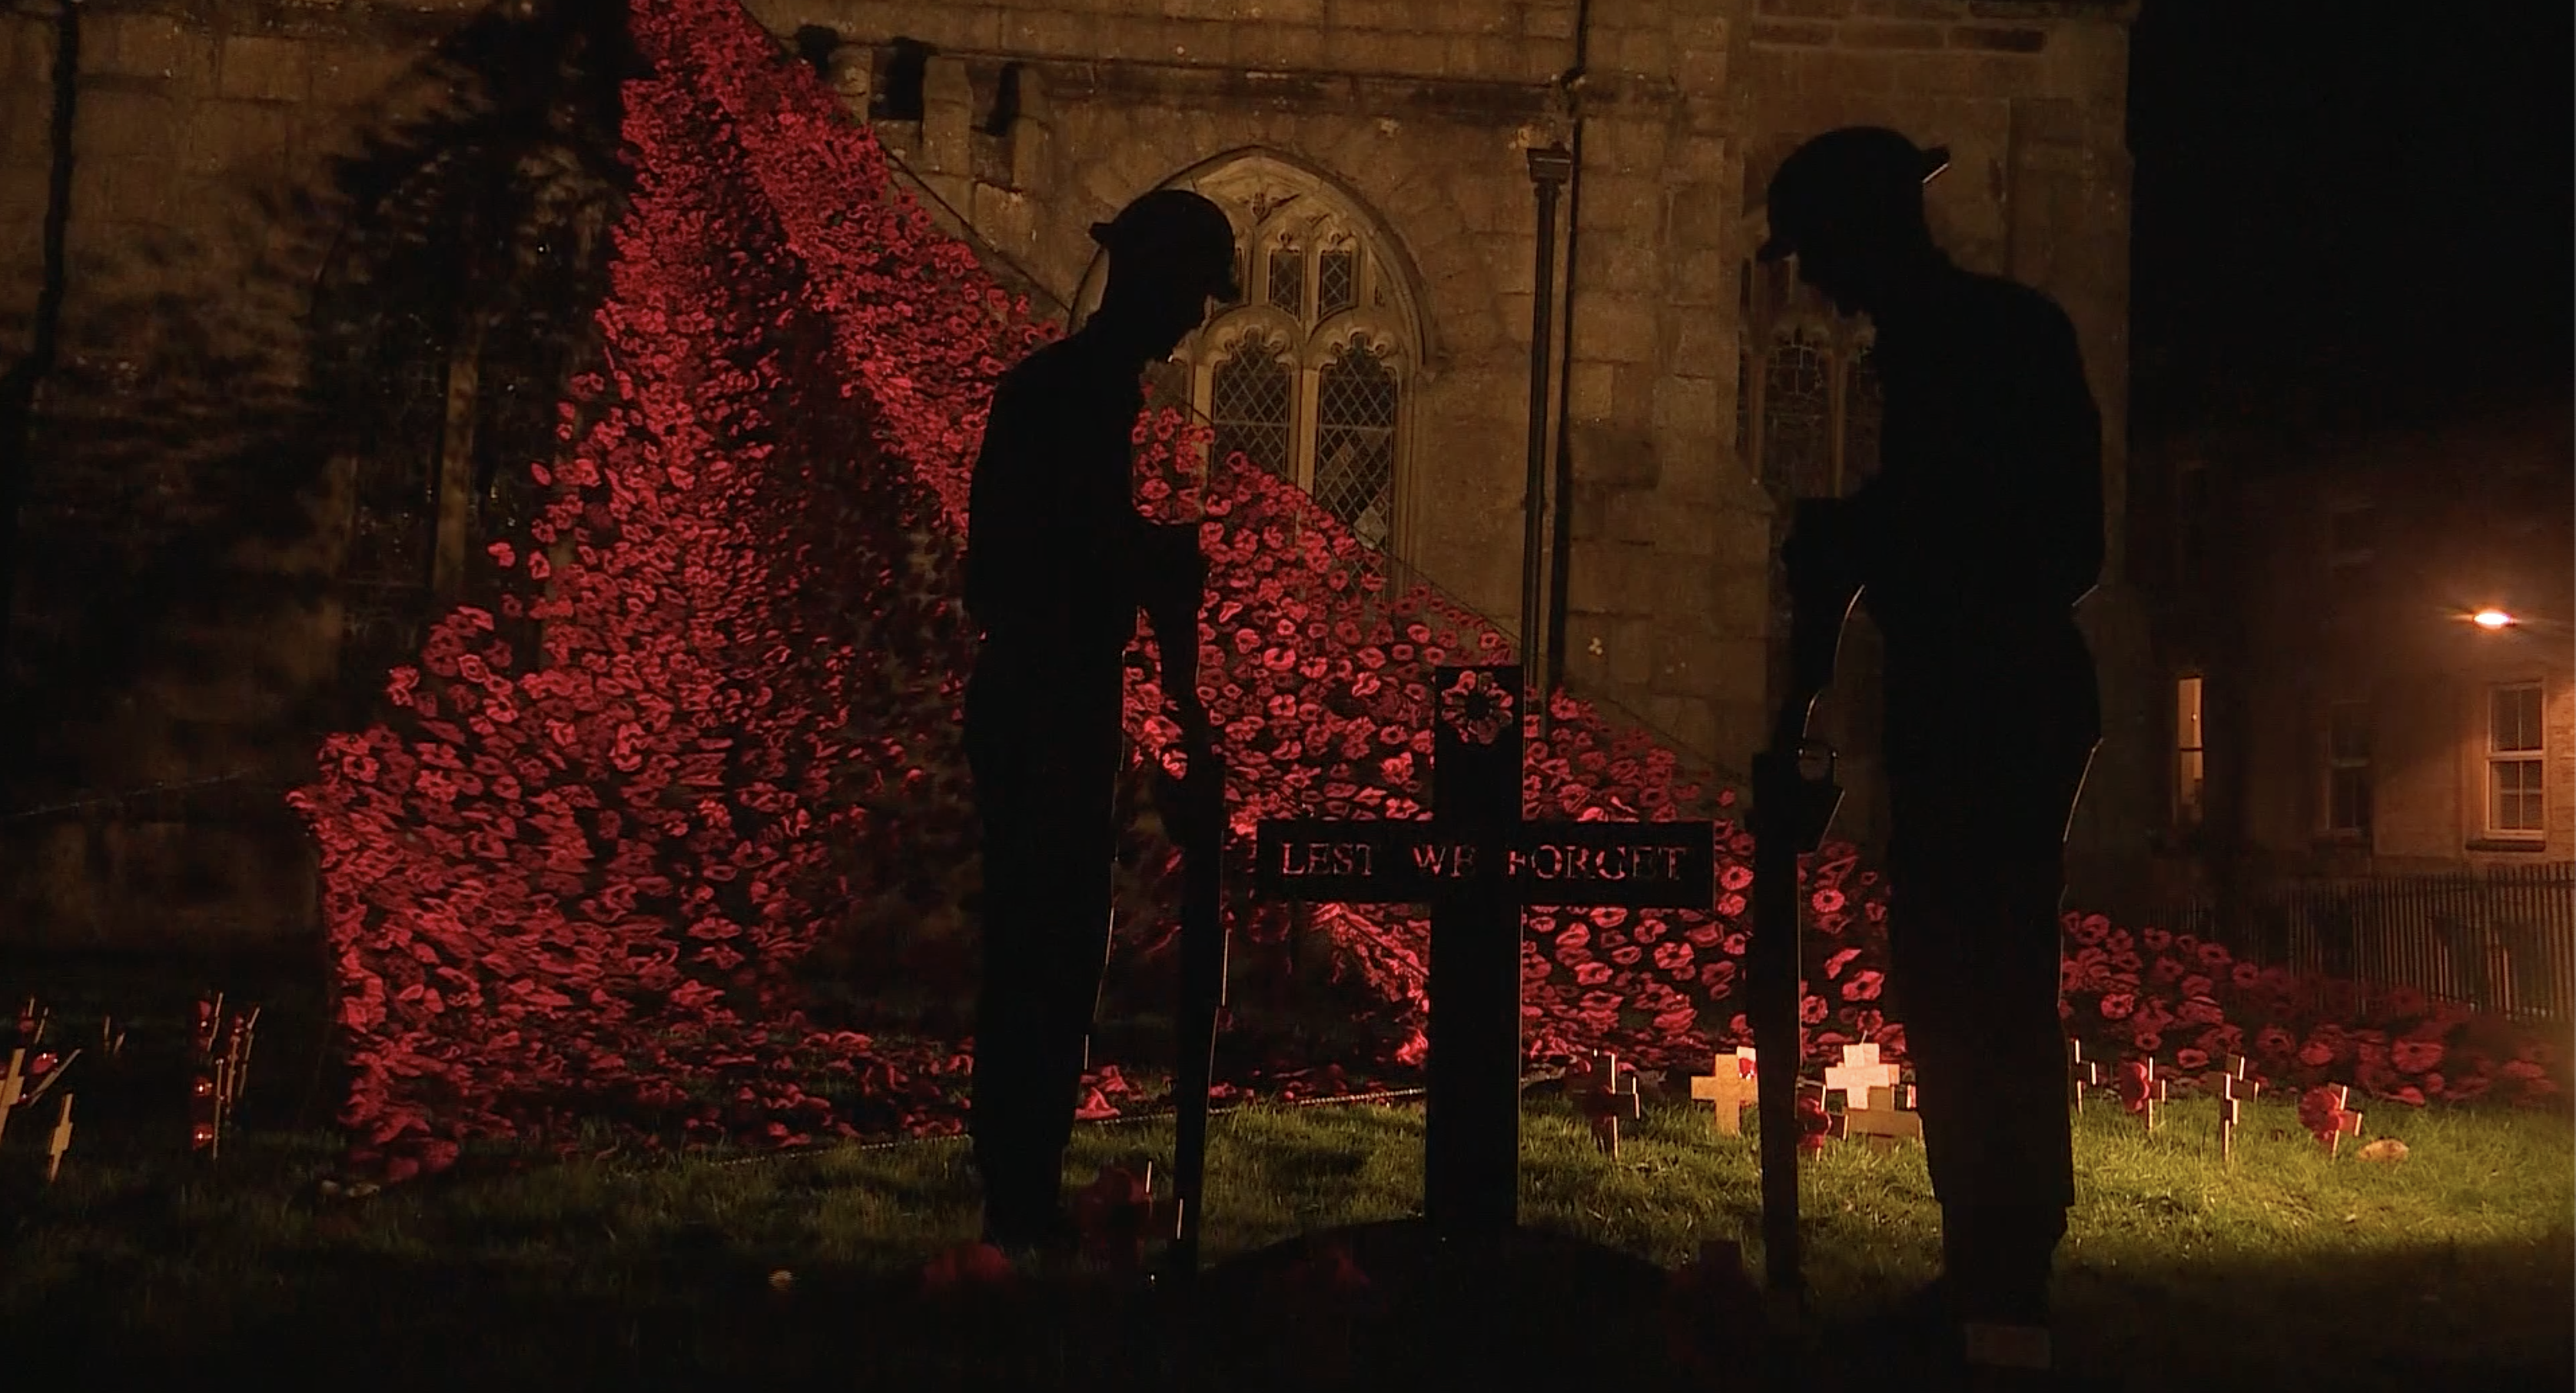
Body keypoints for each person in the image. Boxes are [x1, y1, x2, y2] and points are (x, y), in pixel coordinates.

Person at [1759, 128, 2105, 1386]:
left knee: (1989, 982)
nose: (1823, 287)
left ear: (1873, 227)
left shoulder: (1995, 342)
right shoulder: (1935, 350)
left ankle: (2008, 1289)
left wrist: (1880, 542)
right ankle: (1987, 1268)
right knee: (1957, 982)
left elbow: (2058, 544)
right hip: (1963, 697)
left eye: (1826, 252)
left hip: (2001, 700)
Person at [960, 188, 1231, 1257]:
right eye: (1192, 295)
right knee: (1044, 944)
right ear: (1152, 280)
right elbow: (1043, 554)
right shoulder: (1071, 395)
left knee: (1057, 942)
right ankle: (1017, 1195)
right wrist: (1149, 562)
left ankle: (1023, 1183)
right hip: (1043, 694)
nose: (1195, 321)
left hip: (1061, 689)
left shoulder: (1085, 393)